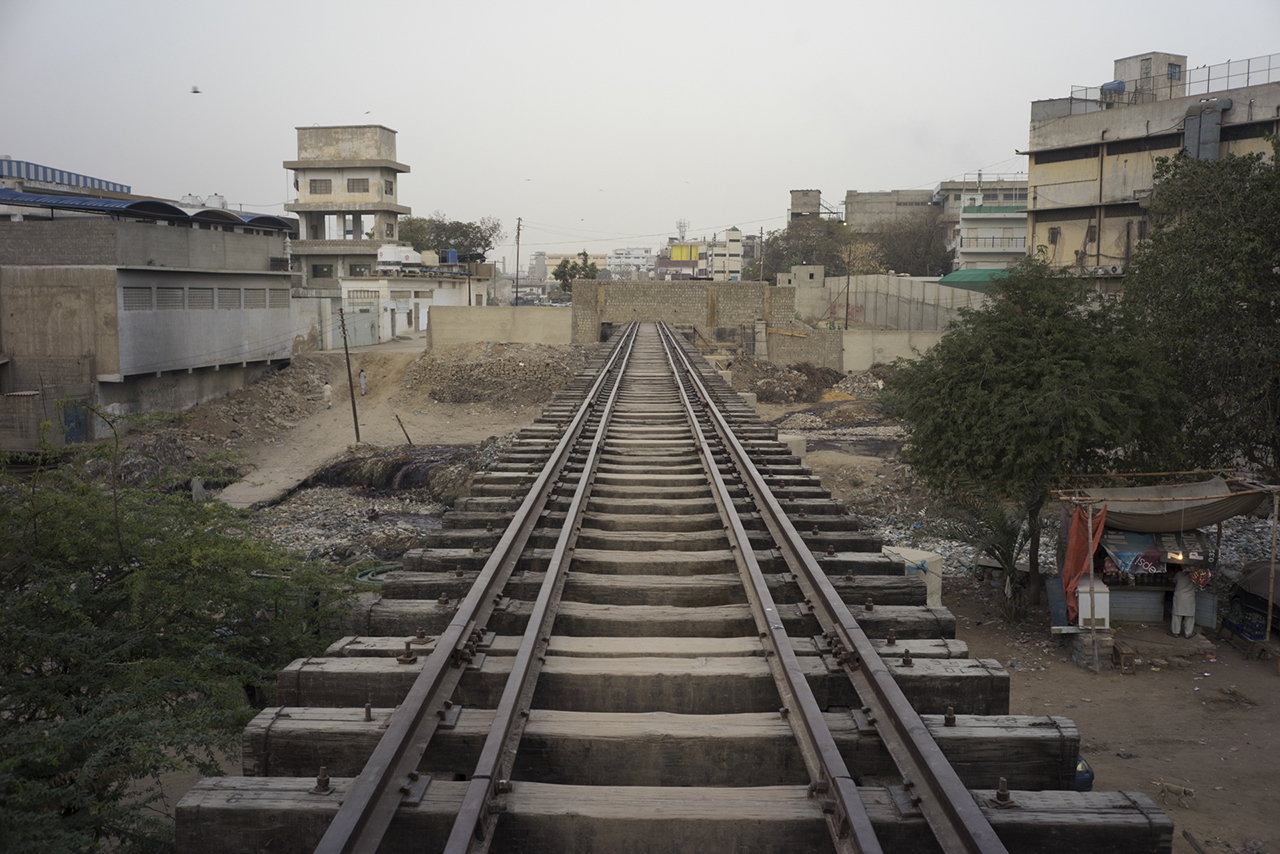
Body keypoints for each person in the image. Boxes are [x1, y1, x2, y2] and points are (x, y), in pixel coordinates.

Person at [1170, 568, 1196, 638]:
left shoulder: (1179, 574)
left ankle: (1175, 632)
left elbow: (1174, 581)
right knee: (1189, 615)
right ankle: (1188, 633)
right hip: (1189, 597)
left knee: (1176, 615)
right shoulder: (1195, 575)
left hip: (1179, 596)